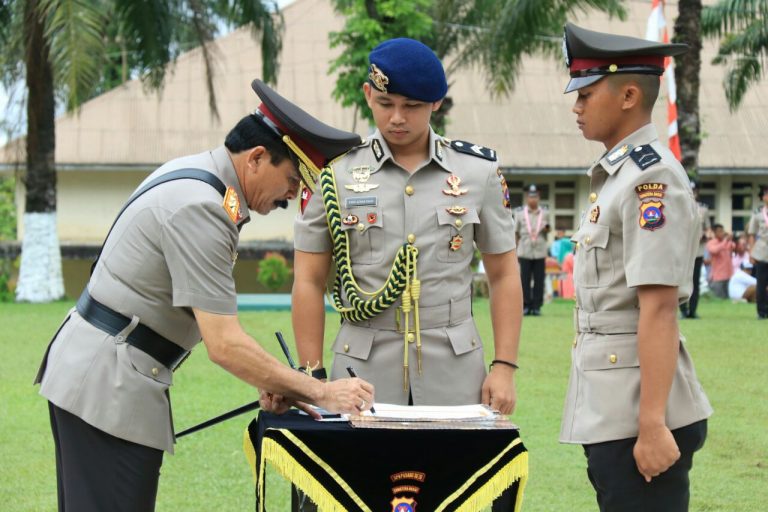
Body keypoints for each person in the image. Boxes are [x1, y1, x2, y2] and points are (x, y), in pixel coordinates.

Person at [34, 79, 375, 512]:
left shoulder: (203, 180)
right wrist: (319, 391)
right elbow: (225, 343)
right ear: (255, 158)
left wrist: (276, 380)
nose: (293, 197)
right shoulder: (205, 208)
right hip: (107, 388)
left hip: (96, 375)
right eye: (292, 180)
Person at [290, 38, 523, 511]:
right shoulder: (335, 175)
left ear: (436, 103)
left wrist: (504, 365)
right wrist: (311, 373)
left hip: (456, 370)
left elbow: (503, 274)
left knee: (455, 494)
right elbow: (309, 280)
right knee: (353, 494)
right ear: (367, 95)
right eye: (385, 103)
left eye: (412, 106)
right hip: (360, 367)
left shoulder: (477, 173)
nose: (397, 118)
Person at [559, 23, 713, 512]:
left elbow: (661, 308)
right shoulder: (618, 176)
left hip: (638, 409)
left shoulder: (652, 179)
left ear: (628, 95)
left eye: (586, 93)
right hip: (611, 398)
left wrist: (652, 424)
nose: (576, 106)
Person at [515, 184, 551, 315]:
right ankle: (526, 305)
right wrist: (514, 250)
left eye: (535, 197)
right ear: (526, 198)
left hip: (540, 251)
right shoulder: (519, 213)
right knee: (524, 280)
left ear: (539, 197)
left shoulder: (545, 212)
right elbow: (516, 233)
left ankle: (536, 307)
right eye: (530, 197)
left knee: (539, 279)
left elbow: (548, 230)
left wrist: (546, 228)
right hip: (524, 250)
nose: (533, 200)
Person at [680, 182, 710, 318]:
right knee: (681, 280)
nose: (693, 192)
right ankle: (682, 310)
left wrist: (706, 235)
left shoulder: (703, 209)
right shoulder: (678, 205)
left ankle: (693, 310)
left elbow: (708, 228)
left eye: (694, 190)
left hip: (697, 249)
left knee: (695, 281)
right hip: (682, 249)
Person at [746, 185, 768, 319]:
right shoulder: (758, 213)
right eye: (766, 194)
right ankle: (761, 311)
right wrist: (751, 253)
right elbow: (752, 234)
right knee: (761, 283)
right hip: (761, 251)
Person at [706, 224, 735, 298]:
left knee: (728, 299)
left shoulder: (726, 242)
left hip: (729, 276)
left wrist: (729, 239)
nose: (722, 233)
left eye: (722, 231)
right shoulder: (711, 243)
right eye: (719, 231)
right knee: (719, 299)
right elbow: (714, 250)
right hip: (718, 278)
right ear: (714, 233)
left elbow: (733, 246)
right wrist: (725, 240)